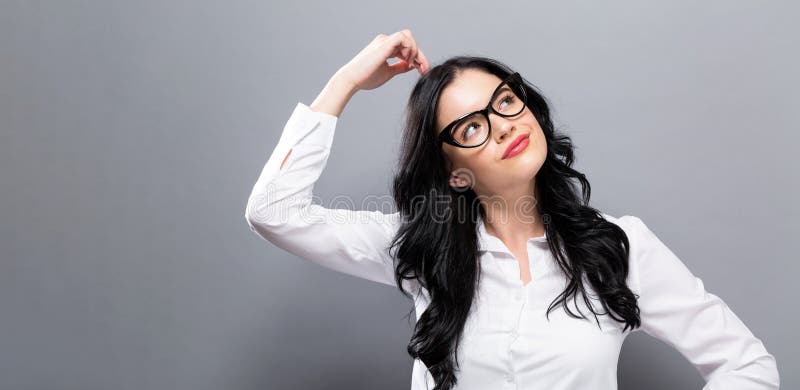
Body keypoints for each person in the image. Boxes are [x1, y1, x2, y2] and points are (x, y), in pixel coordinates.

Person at [244, 30, 780, 390]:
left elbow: (747, 366)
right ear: (453, 171)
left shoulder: (620, 246)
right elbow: (273, 210)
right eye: (471, 127)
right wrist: (347, 82)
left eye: (504, 101)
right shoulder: (420, 249)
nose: (502, 124)